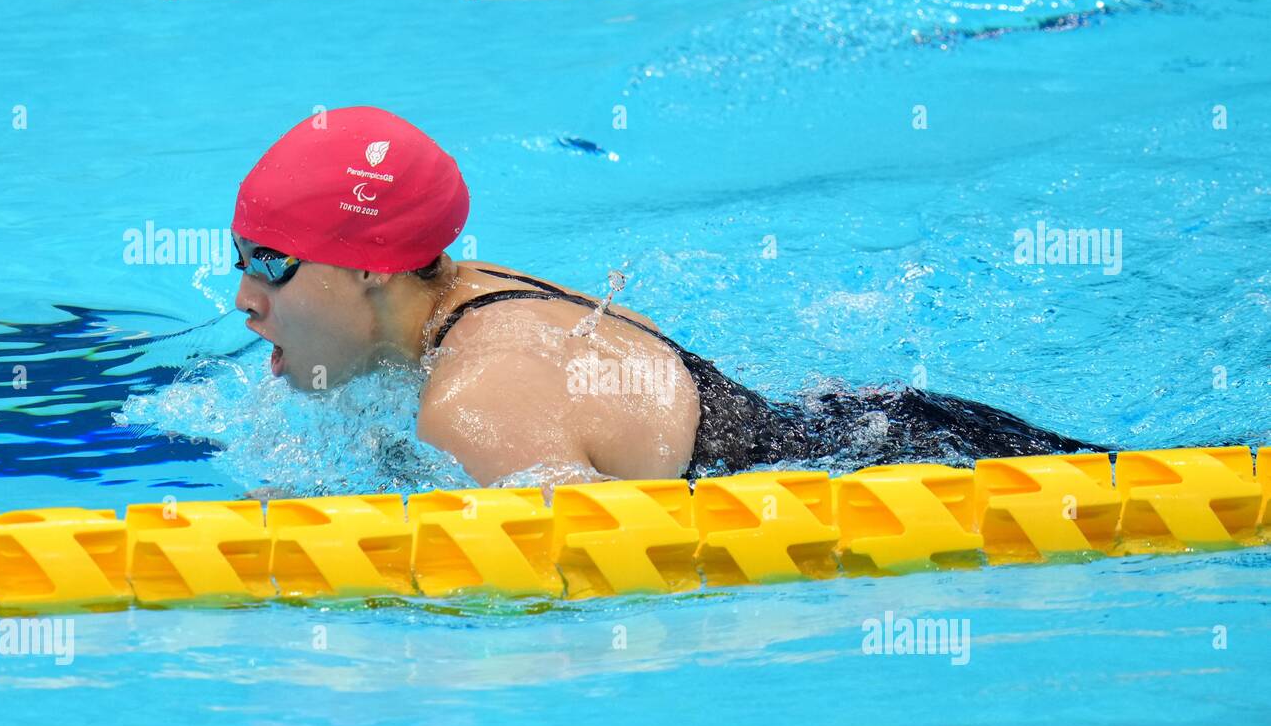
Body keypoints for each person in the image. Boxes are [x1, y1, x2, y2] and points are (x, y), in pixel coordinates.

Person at [232, 106, 1102, 487]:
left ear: (373, 267)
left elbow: (596, 588)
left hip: (918, 478)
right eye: (239, 258)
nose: (244, 297)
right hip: (884, 426)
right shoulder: (466, 296)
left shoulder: (474, 399)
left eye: (270, 262)